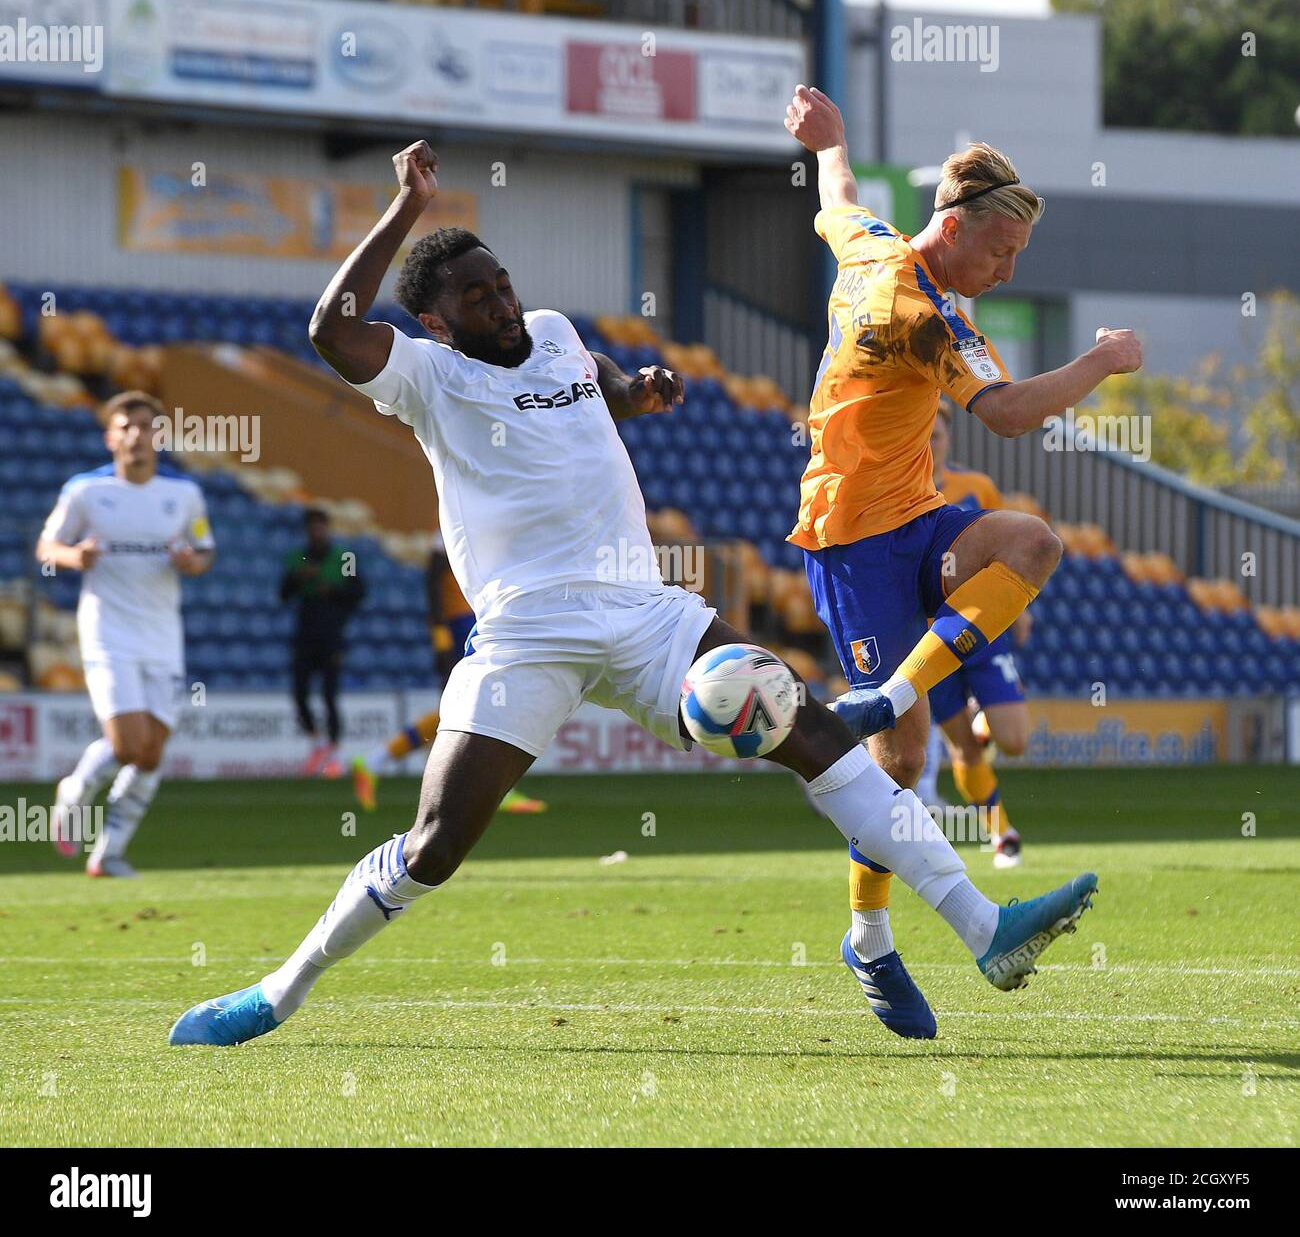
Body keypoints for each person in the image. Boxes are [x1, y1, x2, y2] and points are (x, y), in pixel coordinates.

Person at [169, 140, 1098, 1049]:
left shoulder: (559, 335)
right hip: (528, 631)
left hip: (647, 608)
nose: (503, 302)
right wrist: (407, 209)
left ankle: (986, 931)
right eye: (478, 297)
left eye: (502, 283)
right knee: (435, 847)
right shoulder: (425, 375)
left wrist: (638, 393)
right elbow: (330, 330)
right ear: (440, 322)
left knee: (817, 733)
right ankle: (277, 994)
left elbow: (596, 390)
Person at [783, 85, 1140, 1036]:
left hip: (921, 515)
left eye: (1019, 254)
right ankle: (866, 940)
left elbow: (835, 192)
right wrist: (1102, 361)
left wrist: (831, 139)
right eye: (1001, 250)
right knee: (895, 775)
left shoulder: (869, 243)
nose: (1009, 269)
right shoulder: (928, 318)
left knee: (1031, 541)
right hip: (848, 539)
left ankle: (897, 695)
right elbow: (1014, 415)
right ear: (952, 225)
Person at [38, 391, 216, 877]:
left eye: (146, 425)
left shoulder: (183, 496)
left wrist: (190, 562)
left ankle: (109, 853)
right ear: (110, 436)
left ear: (160, 435)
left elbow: (204, 552)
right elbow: (47, 546)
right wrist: (77, 557)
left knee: (152, 753)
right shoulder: (85, 492)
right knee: (125, 746)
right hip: (107, 631)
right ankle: (74, 790)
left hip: (162, 635)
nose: (137, 434)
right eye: (127, 425)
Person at [351, 535, 546, 815]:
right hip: (461, 625)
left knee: (470, 708)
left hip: (478, 620)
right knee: (473, 706)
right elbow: (432, 581)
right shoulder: (448, 527)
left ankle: (376, 762)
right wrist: (440, 635)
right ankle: (377, 761)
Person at [926, 398, 1030, 868]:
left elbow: (1007, 551)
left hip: (984, 625)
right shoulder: (895, 498)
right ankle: (1002, 835)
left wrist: (1020, 607)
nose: (929, 443)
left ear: (948, 439)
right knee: (961, 746)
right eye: (922, 435)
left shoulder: (976, 488)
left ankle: (982, 716)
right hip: (928, 638)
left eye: (937, 435)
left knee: (1013, 739)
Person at [280, 507, 365, 778]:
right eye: (311, 527)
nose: (316, 531)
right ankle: (318, 743)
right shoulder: (298, 557)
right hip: (305, 634)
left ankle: (334, 753)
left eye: (320, 526)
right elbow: (282, 593)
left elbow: (358, 592)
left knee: (329, 695)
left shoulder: (343, 557)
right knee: (299, 693)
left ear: (327, 528)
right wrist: (297, 579)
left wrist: (333, 591)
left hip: (332, 635)